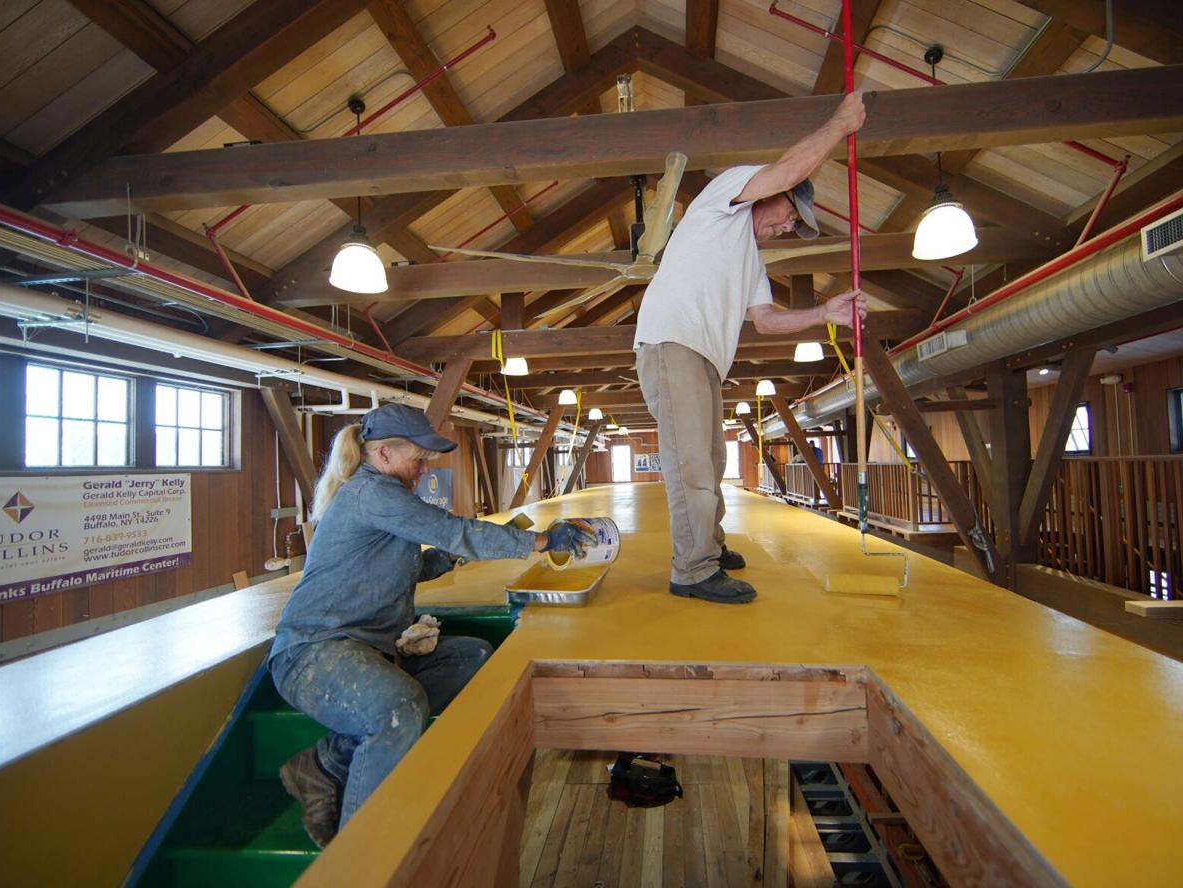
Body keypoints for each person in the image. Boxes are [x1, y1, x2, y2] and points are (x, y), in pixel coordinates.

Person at [267, 403, 592, 847]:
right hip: (314, 652)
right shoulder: (373, 493)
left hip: (366, 648)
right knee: (397, 708)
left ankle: (324, 765)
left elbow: (397, 568)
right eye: (417, 460)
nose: (422, 471)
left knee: (473, 656)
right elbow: (454, 529)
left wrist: (442, 559)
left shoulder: (381, 495)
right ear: (382, 456)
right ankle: (362, 853)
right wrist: (540, 540)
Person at [633, 91, 868, 604]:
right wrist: (840, 124)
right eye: (790, 214)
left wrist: (825, 314)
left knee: (711, 460)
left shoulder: (749, 262)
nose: (788, 227)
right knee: (691, 462)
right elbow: (785, 171)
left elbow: (766, 321)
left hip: (704, 357)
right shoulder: (724, 199)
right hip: (673, 340)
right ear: (766, 193)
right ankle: (692, 570)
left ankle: (709, 547)